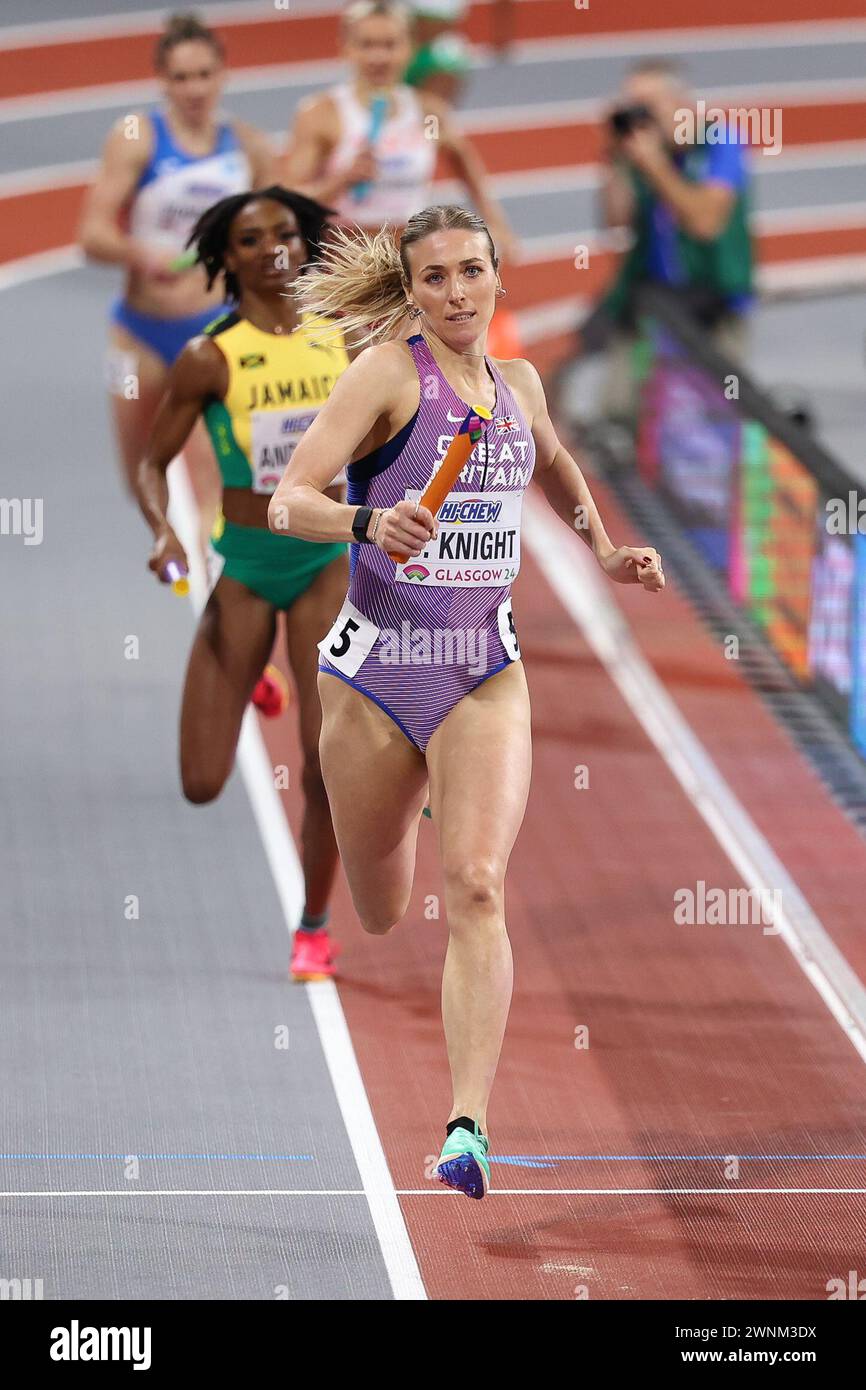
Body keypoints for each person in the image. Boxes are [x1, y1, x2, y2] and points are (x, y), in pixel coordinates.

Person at [267, 203, 664, 1196]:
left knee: (479, 884)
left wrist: (604, 546)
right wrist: (366, 520)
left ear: (496, 276)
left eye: (469, 272)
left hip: (482, 670)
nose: (453, 292)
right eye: (433, 276)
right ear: (409, 289)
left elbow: (557, 463)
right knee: (383, 904)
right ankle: (416, 791)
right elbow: (290, 498)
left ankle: (464, 1129)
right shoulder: (386, 376)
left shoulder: (519, 383)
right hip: (370, 678)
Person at [136, 187, 351, 983]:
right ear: (226, 258)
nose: (274, 248)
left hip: (324, 565)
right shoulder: (210, 356)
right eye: (253, 239)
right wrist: (163, 529)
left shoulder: (343, 342)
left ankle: (314, 926)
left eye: (286, 233)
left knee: (324, 766)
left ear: (306, 241)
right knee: (200, 783)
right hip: (247, 570)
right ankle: (256, 674)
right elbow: (153, 462)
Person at [79, 10, 274, 534]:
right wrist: (141, 253)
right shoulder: (136, 137)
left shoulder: (247, 147)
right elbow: (92, 234)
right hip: (138, 338)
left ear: (222, 75)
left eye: (204, 75)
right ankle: (173, 554)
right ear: (162, 80)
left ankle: (217, 586)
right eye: (181, 77)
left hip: (216, 334)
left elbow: (281, 230)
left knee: (220, 473)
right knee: (139, 470)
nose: (194, 88)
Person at [571, 58, 753, 427]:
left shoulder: (719, 142)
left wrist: (655, 167)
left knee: (713, 412)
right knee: (620, 410)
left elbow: (705, 223)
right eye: (632, 106)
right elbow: (615, 221)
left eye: (649, 105)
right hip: (652, 297)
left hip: (714, 304)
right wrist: (616, 158)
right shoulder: (640, 154)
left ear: (680, 103)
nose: (641, 116)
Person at [280, 0, 516, 258]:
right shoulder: (322, 113)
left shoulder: (428, 112)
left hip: (409, 255)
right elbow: (288, 198)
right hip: (345, 259)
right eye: (367, 45)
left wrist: (497, 224)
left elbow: (463, 159)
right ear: (346, 48)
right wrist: (340, 182)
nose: (379, 57)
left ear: (410, 49)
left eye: (390, 45)